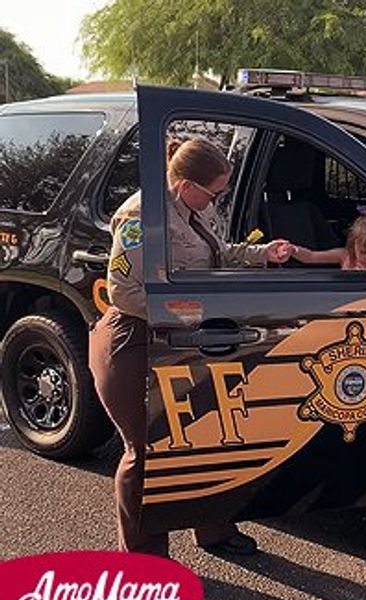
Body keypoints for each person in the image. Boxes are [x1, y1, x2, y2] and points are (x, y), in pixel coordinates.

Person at [89, 137, 292, 557]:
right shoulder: (139, 215)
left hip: (186, 340)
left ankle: (213, 531)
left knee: (205, 437)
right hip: (136, 340)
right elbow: (123, 292)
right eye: (215, 191)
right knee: (145, 452)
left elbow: (216, 256)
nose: (218, 199)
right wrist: (191, 312)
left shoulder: (197, 206)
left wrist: (260, 254)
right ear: (186, 186)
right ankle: (146, 559)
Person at [292, 207, 366, 271]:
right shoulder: (345, 256)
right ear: (353, 244)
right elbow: (311, 257)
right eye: (362, 252)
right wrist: (293, 249)